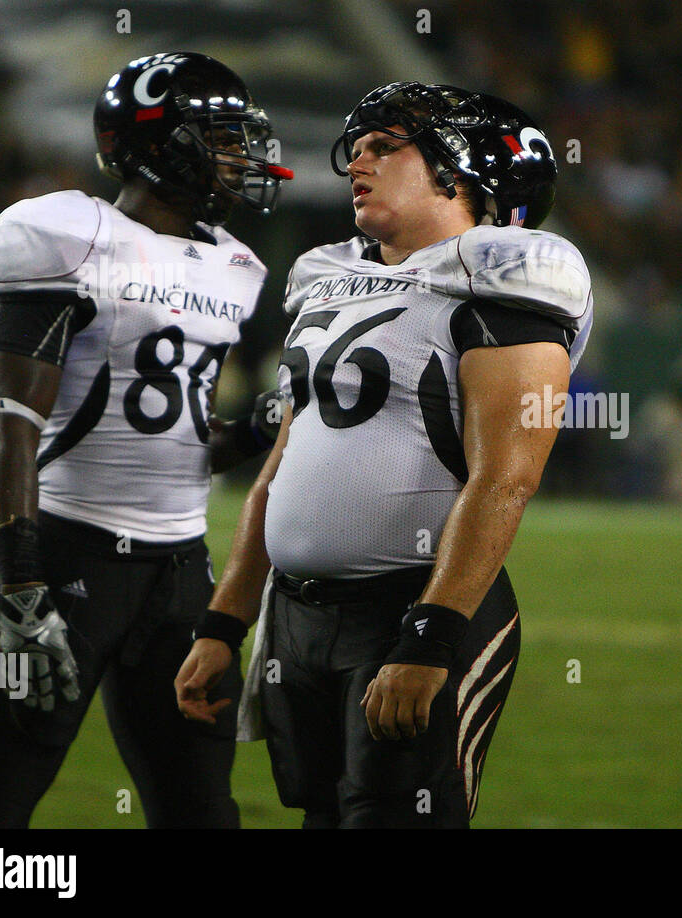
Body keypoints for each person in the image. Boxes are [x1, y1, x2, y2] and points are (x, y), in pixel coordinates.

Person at [175, 81, 592, 828]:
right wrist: (223, 624)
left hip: (412, 609)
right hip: (298, 618)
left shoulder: (505, 282)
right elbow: (281, 466)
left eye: (383, 146)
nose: (356, 162)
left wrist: (429, 639)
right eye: (356, 146)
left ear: (457, 173)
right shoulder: (330, 277)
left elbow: (506, 479)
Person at [0, 52, 292, 829]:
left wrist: (262, 425)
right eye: (223, 137)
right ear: (159, 142)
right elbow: (11, 422)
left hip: (179, 572)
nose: (243, 158)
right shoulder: (71, 234)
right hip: (67, 557)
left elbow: (181, 434)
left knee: (202, 811)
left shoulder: (235, 266)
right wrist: (24, 583)